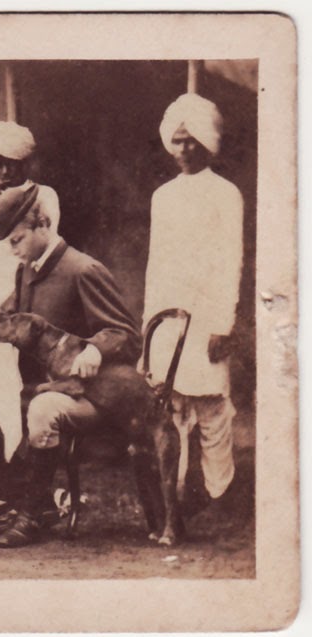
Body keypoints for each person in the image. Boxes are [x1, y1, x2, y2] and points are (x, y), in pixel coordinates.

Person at [0, 184, 142, 548]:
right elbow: (11, 316)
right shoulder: (27, 272)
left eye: (17, 239)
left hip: (93, 394)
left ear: (44, 225)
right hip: (50, 385)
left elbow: (127, 334)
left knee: (40, 409)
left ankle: (33, 513)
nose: (13, 248)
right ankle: (26, 503)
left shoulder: (83, 269)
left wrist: (97, 349)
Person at [144, 93, 243, 508]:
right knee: (174, 404)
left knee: (212, 405)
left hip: (208, 309)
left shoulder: (225, 193)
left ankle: (220, 489)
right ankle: (180, 493)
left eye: (192, 140)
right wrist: (149, 325)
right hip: (169, 310)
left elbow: (230, 260)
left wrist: (223, 322)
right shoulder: (163, 195)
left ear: (207, 142)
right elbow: (155, 263)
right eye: (178, 140)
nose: (184, 149)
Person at [0, 121, 61, 321]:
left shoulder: (44, 196)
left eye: (11, 163)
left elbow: (46, 244)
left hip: (27, 283)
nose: (5, 171)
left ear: (24, 161)